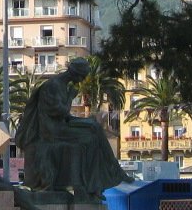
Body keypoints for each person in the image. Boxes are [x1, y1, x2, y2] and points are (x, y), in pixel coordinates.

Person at [15, 57, 132, 196]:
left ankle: (101, 181)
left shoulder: (62, 85)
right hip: (51, 130)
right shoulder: (53, 85)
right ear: (75, 73)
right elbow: (59, 112)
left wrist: (85, 121)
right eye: (82, 76)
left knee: (95, 126)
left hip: (60, 124)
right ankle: (102, 180)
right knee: (92, 136)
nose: (82, 80)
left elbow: (66, 116)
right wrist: (71, 97)